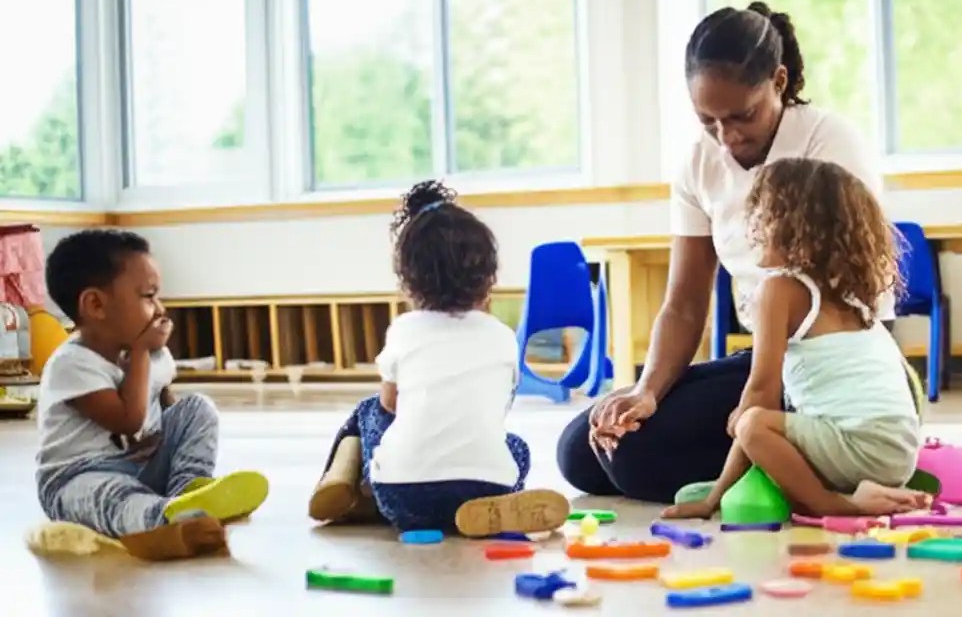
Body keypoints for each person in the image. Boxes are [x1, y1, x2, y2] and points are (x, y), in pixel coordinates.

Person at [556, 1, 890, 503]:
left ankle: (848, 453)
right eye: (708, 120)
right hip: (766, 357)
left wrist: (715, 494)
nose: (727, 137)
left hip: (834, 370)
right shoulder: (699, 161)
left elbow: (855, 291)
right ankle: (792, 461)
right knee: (583, 450)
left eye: (742, 116)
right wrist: (646, 390)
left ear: (779, 82)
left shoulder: (827, 141)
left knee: (635, 462)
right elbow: (685, 303)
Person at [661, 158, 927, 518]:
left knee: (752, 423)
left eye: (762, 215)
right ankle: (852, 488)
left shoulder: (781, 289)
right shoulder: (848, 295)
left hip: (861, 449)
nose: (752, 226)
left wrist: (713, 500)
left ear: (794, 228)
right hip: (898, 454)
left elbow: (761, 397)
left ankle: (833, 505)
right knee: (761, 422)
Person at [308, 180, 569, 536]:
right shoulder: (502, 337)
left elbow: (389, 404)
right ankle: (493, 504)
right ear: (489, 278)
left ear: (407, 281)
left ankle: (345, 479)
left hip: (405, 496)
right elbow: (497, 408)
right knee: (515, 447)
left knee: (368, 411)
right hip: (485, 483)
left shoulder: (404, 330)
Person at [36, 229, 268, 561]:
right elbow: (128, 421)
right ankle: (165, 519)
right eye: (148, 296)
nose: (159, 309)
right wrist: (142, 352)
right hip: (78, 478)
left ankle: (187, 490)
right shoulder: (72, 364)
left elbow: (162, 400)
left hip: (143, 466)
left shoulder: (152, 356)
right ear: (96, 304)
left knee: (197, 408)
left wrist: (170, 437)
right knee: (113, 496)